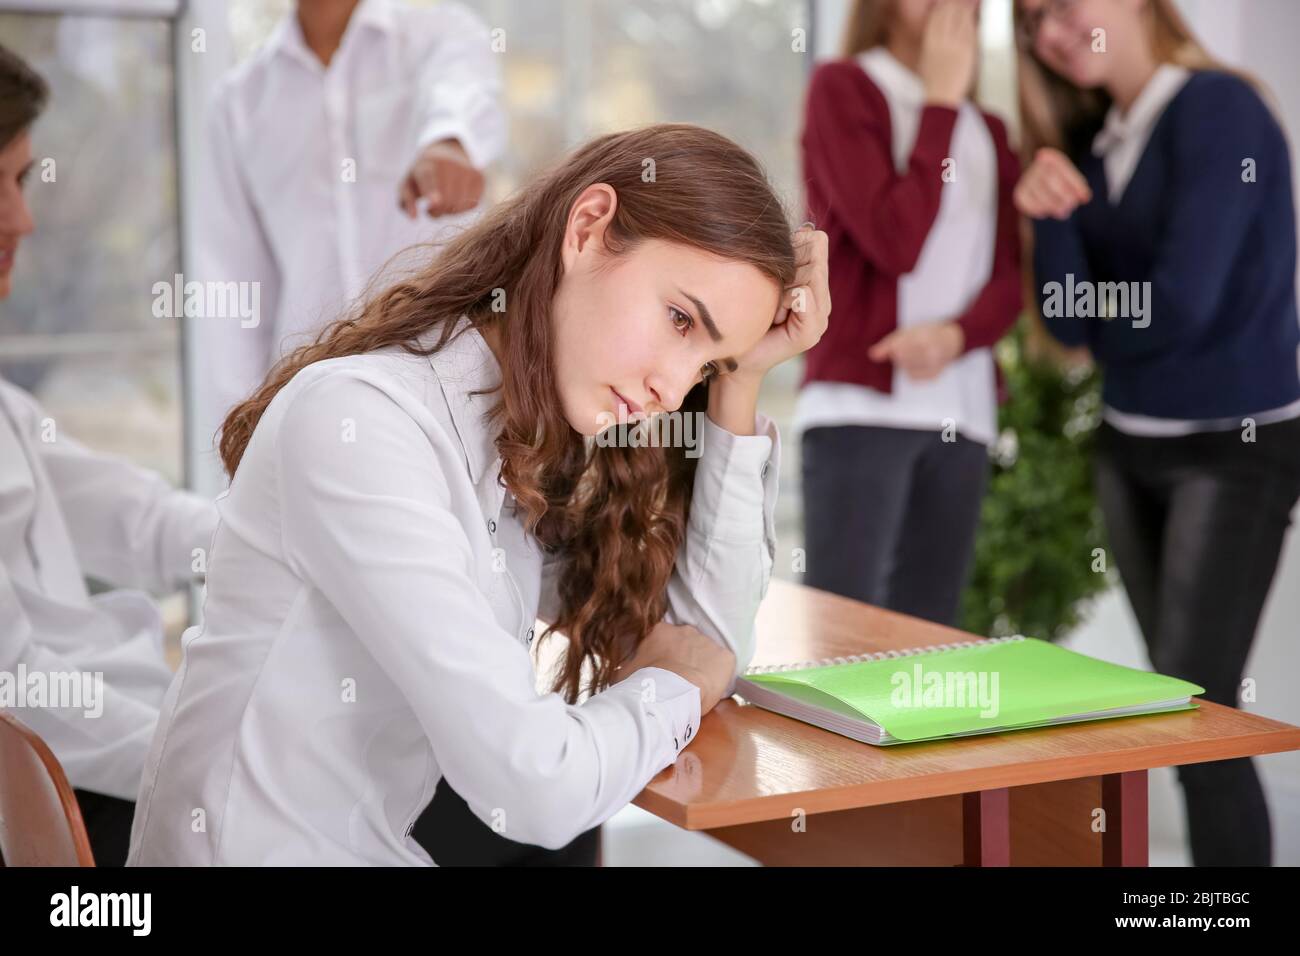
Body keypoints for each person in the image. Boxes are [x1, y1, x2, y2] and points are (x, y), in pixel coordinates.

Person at [126, 123, 830, 866]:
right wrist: (679, 684)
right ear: (587, 229)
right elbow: (536, 783)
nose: (670, 388)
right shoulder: (363, 425)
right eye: (680, 319)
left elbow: (706, 638)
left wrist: (743, 382)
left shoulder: (508, 448)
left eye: (706, 365)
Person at [1015, 0, 1300, 866]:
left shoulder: (1220, 110)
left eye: (1062, 4)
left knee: (1201, 713)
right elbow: (1065, 325)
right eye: (1030, 21)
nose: (1052, 30)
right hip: (1128, 445)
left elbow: (1182, 303)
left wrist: (1103, 313)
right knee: (1182, 706)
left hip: (1231, 448)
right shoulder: (1099, 146)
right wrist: (1052, 216)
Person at [0, 42, 217, 867]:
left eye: (23, 181)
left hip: (125, 755)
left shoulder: (8, 410)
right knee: (519, 828)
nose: (24, 218)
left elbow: (142, 518)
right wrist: (207, 762)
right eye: (4, 182)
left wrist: (301, 541)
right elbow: (17, 690)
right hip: (85, 807)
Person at [192, 0, 507, 488]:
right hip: (311, 405)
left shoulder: (440, 34)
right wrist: (240, 446)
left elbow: (462, 95)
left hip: (453, 388)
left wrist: (449, 142)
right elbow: (232, 283)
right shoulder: (238, 103)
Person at [795, 0, 1022, 625]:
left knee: (930, 640)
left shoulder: (992, 132)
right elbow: (897, 239)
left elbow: (1009, 279)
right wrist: (941, 102)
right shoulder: (843, 88)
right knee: (842, 639)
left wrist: (957, 337)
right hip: (861, 407)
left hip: (964, 413)